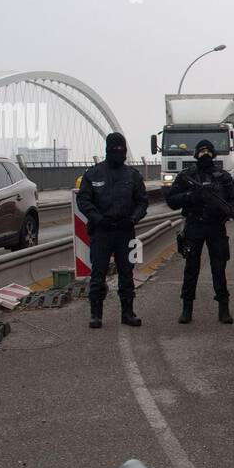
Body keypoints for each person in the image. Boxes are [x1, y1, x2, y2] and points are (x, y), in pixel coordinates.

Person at [165, 137, 234, 324]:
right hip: (194, 226)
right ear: (196, 154)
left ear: (213, 154)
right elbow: (171, 200)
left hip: (216, 227)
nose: (205, 154)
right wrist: (191, 196)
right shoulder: (187, 176)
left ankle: (223, 308)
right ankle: (187, 309)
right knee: (191, 268)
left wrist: (224, 211)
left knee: (219, 268)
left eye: (208, 151)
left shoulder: (223, 177)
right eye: (201, 151)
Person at [77, 132, 148, 328]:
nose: (119, 153)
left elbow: (142, 202)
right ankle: (96, 314)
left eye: (122, 149)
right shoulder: (93, 174)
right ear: (108, 150)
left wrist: (133, 218)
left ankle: (128, 313)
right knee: (98, 273)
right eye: (115, 149)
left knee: (127, 272)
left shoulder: (133, 175)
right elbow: (84, 200)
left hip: (125, 232)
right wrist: (98, 219)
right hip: (102, 232)